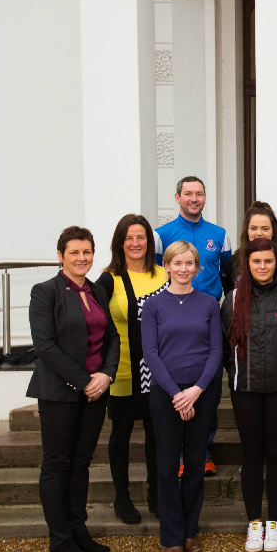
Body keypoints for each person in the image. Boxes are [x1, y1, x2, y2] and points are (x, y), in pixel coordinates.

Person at [28, 226, 120, 552]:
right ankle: (61, 540)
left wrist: (106, 376)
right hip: (59, 394)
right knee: (57, 464)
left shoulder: (97, 289)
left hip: (95, 391)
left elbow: (112, 338)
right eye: (74, 253)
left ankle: (79, 531)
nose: (82, 258)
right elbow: (45, 346)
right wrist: (84, 381)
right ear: (60, 256)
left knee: (81, 463)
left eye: (87, 252)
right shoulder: (45, 292)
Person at [142, 241, 223, 552]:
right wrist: (177, 393)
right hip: (167, 395)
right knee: (166, 466)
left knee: (194, 465)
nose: (183, 269)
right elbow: (151, 353)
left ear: (197, 267)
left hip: (201, 393)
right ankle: (171, 535)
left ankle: (190, 530)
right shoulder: (153, 306)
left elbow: (216, 350)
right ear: (167, 266)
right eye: (177, 263)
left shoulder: (208, 304)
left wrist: (197, 390)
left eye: (190, 263)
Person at [222, 238, 277, 552]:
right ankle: (254, 522)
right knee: (252, 455)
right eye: (257, 261)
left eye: (268, 261)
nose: (262, 266)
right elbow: (225, 346)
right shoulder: (231, 301)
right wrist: (235, 374)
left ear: (276, 264)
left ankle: (275, 522)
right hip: (246, 390)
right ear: (248, 264)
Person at [154, 175, 231, 476]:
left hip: (208, 315)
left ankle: (204, 450)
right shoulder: (162, 235)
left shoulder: (219, 234)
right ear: (177, 198)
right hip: (174, 318)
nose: (194, 199)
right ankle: (181, 455)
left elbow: (226, 274)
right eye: (188, 194)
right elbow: (158, 273)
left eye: (199, 194)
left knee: (208, 383)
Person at [95, 215, 169, 526]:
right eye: (130, 238)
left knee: (157, 434)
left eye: (141, 238)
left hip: (159, 371)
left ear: (150, 244)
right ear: (120, 243)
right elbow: (97, 326)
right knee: (121, 434)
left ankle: (156, 494)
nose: (136, 244)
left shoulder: (164, 275)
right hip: (123, 369)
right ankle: (122, 496)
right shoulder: (108, 279)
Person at [222, 201, 277, 294]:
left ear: (273, 231)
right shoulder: (233, 263)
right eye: (253, 228)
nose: (259, 233)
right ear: (247, 231)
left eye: (265, 228)